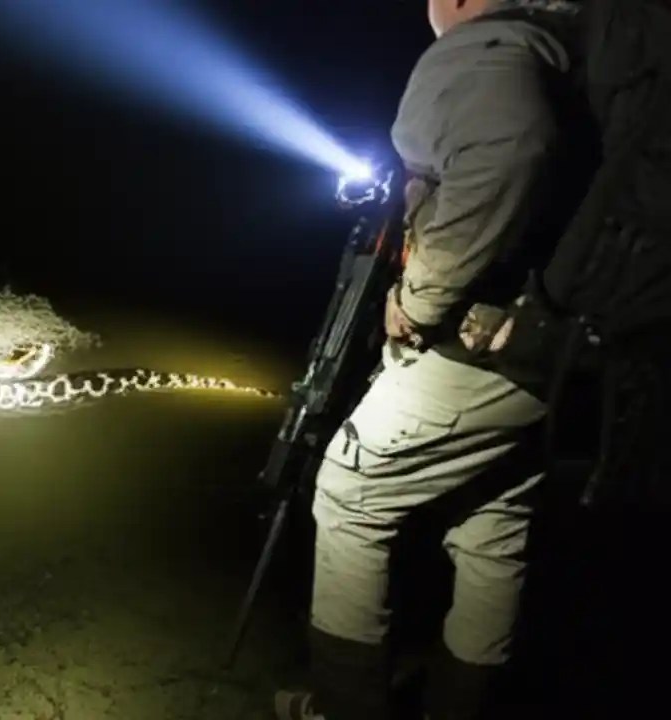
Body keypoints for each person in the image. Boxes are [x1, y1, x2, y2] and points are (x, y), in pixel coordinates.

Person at [273, 1, 593, 718]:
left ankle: (342, 706)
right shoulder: (571, 59)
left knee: (351, 498)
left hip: (481, 350)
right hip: (563, 356)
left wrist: (420, 297)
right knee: (491, 525)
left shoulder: (485, 48)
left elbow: (512, 148)